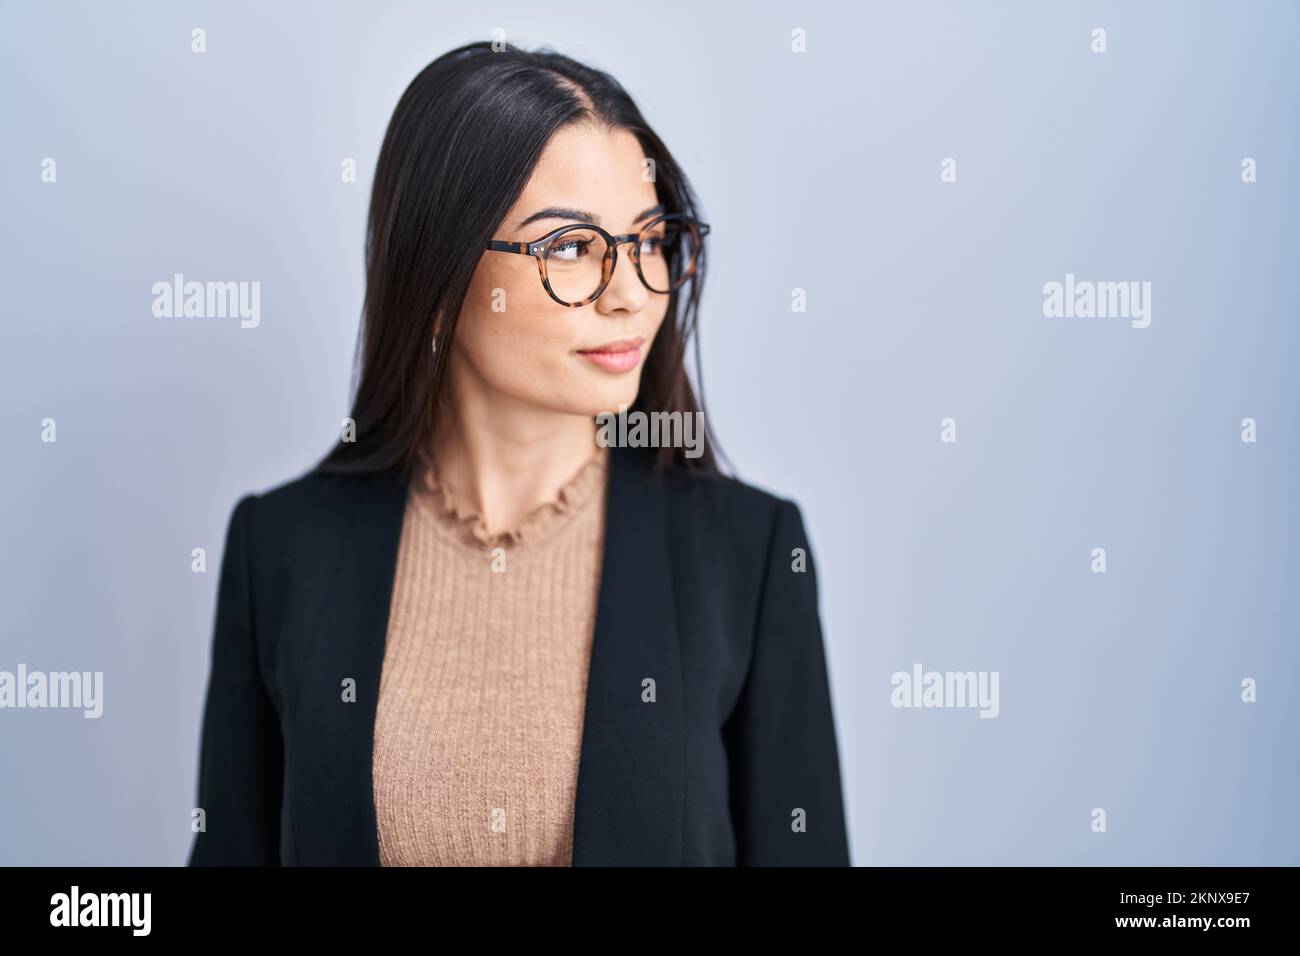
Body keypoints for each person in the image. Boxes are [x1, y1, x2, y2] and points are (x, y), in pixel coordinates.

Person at [188, 40, 849, 866]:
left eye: (648, 240)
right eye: (570, 247)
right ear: (437, 276)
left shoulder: (746, 556)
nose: (630, 291)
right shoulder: (283, 547)